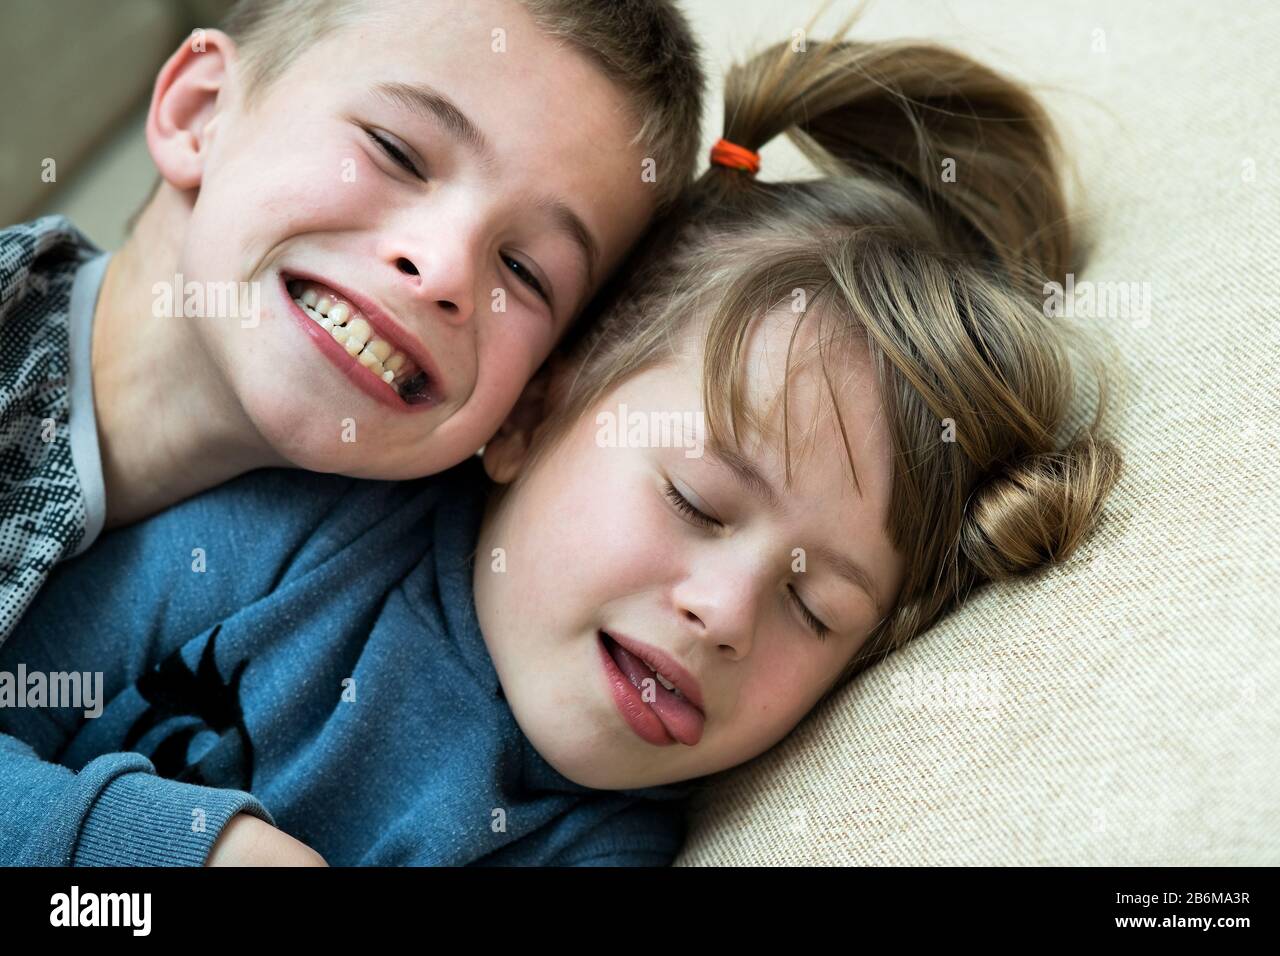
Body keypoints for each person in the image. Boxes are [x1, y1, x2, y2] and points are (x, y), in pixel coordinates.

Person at [1, 28, 1123, 865]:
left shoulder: (599, 842)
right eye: (693, 498)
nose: (724, 614)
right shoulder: (283, 534)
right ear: (530, 410)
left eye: (816, 606)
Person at [0, 0, 704, 643]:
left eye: (525, 271)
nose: (445, 269)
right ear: (200, 112)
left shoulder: (381, 615)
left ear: (529, 396)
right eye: (396, 152)